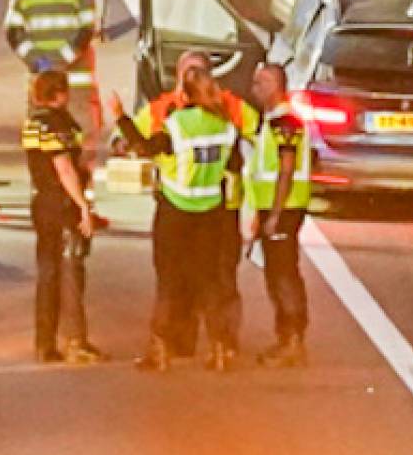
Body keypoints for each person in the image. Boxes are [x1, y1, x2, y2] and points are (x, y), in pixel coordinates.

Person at [117, 51, 256, 369]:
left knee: (170, 281)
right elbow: (240, 155)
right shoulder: (226, 122)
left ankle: (161, 349)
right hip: (212, 210)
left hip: (176, 210)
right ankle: (221, 348)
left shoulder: (176, 122)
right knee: (212, 282)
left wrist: (120, 118)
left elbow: (142, 147)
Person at [23, 69, 103, 364]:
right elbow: (65, 168)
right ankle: (75, 341)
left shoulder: (33, 124)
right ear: (60, 94)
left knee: (47, 274)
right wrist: (83, 205)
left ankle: (45, 343)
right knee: (71, 273)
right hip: (63, 205)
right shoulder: (61, 124)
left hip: (42, 203)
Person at [241, 60, 318, 366]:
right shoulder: (271, 120)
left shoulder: (285, 122)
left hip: (284, 209)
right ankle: (285, 338)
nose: (254, 89)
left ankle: (293, 340)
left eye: (260, 83)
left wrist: (274, 214)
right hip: (275, 208)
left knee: (284, 275)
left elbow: (286, 170)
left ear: (275, 85)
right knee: (276, 275)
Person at [3, 0, 101, 124]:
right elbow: (86, 32)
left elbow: (13, 33)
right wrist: (60, 62)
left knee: (40, 139)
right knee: (79, 141)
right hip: (75, 87)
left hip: (41, 86)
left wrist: (40, 63)